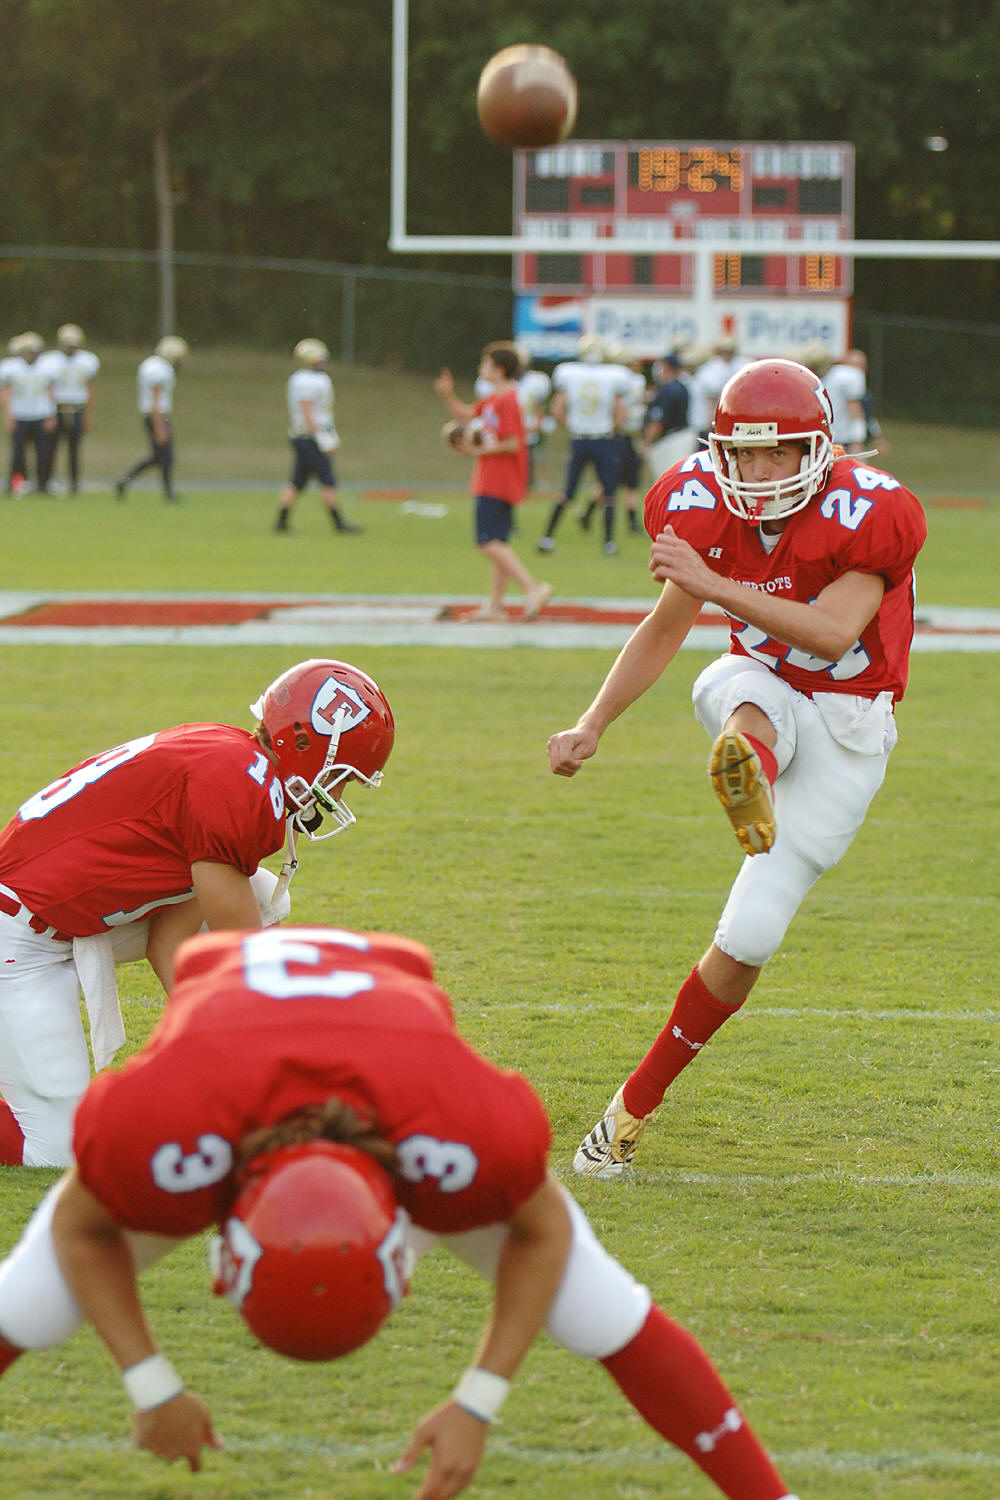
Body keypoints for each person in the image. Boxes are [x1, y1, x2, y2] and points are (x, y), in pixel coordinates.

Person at [0, 923, 801, 1500]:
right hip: (234, 1002)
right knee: (29, 1302)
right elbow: (81, 1229)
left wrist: (480, 1398)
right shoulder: (168, 1127)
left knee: (600, 1310)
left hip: (381, 1019)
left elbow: (542, 1231)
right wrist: (147, 1382)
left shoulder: (452, 1132)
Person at [548, 358, 927, 1178]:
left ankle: (632, 1100)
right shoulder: (699, 503)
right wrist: (593, 722)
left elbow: (831, 632)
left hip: (850, 723)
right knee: (729, 685)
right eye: (742, 454)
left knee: (750, 935)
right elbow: (664, 627)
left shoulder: (870, 512)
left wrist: (714, 581)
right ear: (719, 450)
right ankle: (624, 1121)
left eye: (776, 454)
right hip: (761, 688)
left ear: (816, 451)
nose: (756, 473)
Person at [0, 658, 394, 1168]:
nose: (337, 794)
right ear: (307, 745)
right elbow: (245, 964)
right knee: (55, 1148)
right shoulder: (237, 785)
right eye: (343, 777)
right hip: (19, 939)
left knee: (266, 899)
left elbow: (171, 939)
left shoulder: (231, 761)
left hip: (66, 918)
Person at [434, 343, 551, 622]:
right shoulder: (495, 399)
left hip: (499, 478)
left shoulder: (508, 400)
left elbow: (512, 442)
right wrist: (447, 395)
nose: (480, 368)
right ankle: (495, 606)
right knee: (498, 541)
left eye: (485, 364)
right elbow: (466, 414)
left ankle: (533, 588)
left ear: (499, 369)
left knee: (487, 543)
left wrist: (478, 451)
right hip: (492, 476)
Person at [537, 335, 632, 556]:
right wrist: (611, 428)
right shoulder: (614, 375)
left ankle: (547, 538)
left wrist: (571, 426)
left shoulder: (569, 373)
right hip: (602, 438)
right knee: (608, 492)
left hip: (579, 438)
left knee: (567, 492)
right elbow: (621, 412)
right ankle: (608, 543)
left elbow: (557, 408)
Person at [273, 338, 363, 535]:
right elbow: (308, 411)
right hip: (310, 437)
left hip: (303, 436)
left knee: (297, 481)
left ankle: (281, 522)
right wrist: (323, 438)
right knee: (327, 480)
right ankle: (339, 523)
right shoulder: (309, 380)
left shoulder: (301, 378)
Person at [114, 336, 189, 503]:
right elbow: (155, 401)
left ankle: (125, 481)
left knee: (159, 457)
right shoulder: (160, 370)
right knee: (166, 457)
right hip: (157, 415)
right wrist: (159, 426)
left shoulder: (150, 364)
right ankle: (167, 493)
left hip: (152, 415)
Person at [1, 331, 59, 494]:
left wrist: (51, 414)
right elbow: (6, 393)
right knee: (18, 453)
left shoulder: (46, 367)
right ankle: (17, 484)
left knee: (43, 452)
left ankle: (43, 484)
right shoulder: (11, 367)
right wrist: (8, 415)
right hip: (19, 415)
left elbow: (50, 392)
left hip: (40, 414)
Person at [50, 323, 100, 494]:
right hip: (56, 408)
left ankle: (74, 483)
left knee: (74, 449)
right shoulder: (51, 360)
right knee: (52, 447)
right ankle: (49, 481)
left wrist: (88, 414)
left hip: (76, 407)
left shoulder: (87, 360)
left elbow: (90, 388)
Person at [642, 351, 695, 478]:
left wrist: (647, 443)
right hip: (683, 435)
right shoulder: (682, 386)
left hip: (671, 440)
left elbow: (658, 420)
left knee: (668, 480)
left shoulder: (668, 389)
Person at [691, 336, 749, 444]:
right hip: (711, 424)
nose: (727, 354)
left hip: (728, 423)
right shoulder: (711, 369)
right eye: (725, 351)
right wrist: (710, 424)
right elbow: (711, 399)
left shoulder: (738, 365)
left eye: (729, 351)